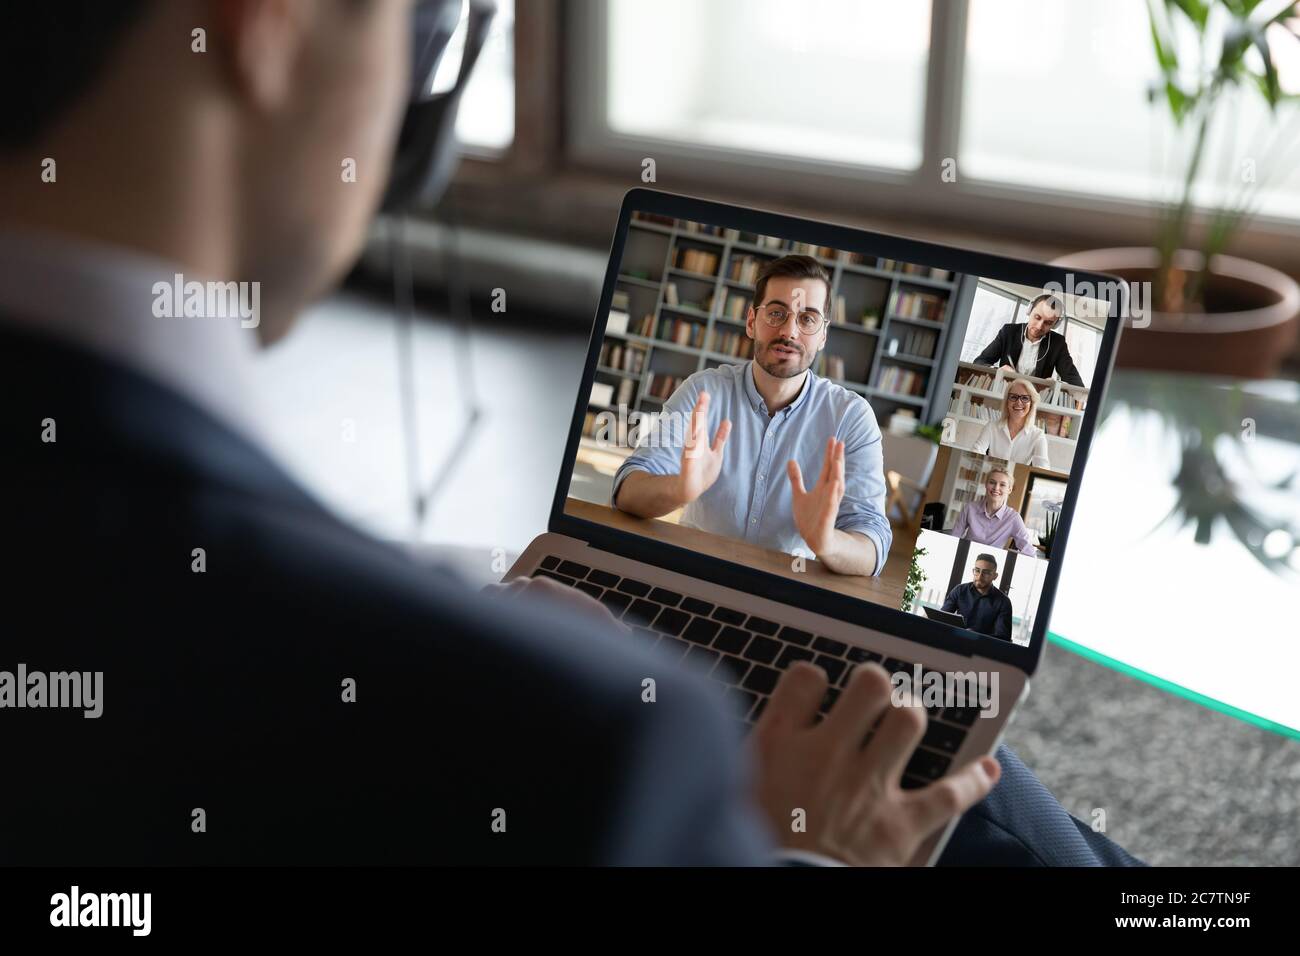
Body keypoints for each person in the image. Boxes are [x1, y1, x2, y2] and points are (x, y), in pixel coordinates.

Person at [1, 0, 1139, 868]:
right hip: (686, 704)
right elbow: (637, 506)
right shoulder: (588, 740)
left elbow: (850, 553)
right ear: (274, 24)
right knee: (979, 798)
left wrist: (807, 542)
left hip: (736, 630)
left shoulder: (840, 417)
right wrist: (782, 837)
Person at [613, 255, 891, 576]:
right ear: (750, 321)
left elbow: (873, 546)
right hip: (694, 574)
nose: (789, 331)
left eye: (808, 319)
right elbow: (626, 490)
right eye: (776, 313)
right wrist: (679, 490)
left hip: (790, 590)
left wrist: (827, 541)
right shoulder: (703, 392)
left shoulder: (852, 417)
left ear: (823, 335)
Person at [973, 292, 1085, 387]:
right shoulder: (1008, 332)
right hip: (1003, 390)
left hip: (1034, 399)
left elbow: (1076, 383)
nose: (1039, 326)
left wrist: (1056, 384)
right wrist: (998, 370)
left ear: (1055, 325)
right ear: (1029, 311)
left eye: (1048, 323)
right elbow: (979, 362)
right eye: (1037, 317)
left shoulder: (1058, 343)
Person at [950, 466, 1038, 556]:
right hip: (964, 555)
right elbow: (953, 538)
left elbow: (1029, 552)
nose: (996, 488)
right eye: (992, 482)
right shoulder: (969, 508)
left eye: (1002, 485)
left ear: (1009, 490)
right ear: (986, 485)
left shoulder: (1013, 518)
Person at [971, 376, 1051, 469]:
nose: (1019, 402)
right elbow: (976, 451)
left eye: (1025, 398)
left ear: (1031, 404)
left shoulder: (1038, 435)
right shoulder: (991, 427)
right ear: (1007, 402)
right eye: (1013, 397)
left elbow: (1042, 468)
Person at [942, 554, 1014, 641]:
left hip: (982, 648)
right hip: (954, 640)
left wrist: (975, 635)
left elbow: (1003, 637)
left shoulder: (1003, 602)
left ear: (995, 576)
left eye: (986, 573)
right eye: (977, 570)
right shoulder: (960, 590)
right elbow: (942, 618)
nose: (979, 576)